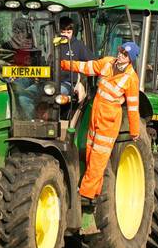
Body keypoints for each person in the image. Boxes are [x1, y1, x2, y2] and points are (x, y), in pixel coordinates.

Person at [59, 41, 141, 207]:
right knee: (89, 152)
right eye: (120, 51)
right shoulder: (107, 63)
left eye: (124, 54)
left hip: (109, 119)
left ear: (130, 59)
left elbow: (133, 107)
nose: (120, 55)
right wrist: (61, 63)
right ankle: (95, 192)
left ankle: (86, 194)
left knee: (98, 157)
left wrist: (134, 131)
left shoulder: (131, 79)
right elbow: (85, 67)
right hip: (96, 111)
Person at [55, 17, 92, 98]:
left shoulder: (78, 45)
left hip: (68, 83)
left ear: (73, 32)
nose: (65, 35)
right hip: (50, 81)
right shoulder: (52, 44)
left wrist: (81, 83)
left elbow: (92, 63)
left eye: (68, 32)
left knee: (54, 93)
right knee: (25, 97)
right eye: (62, 32)